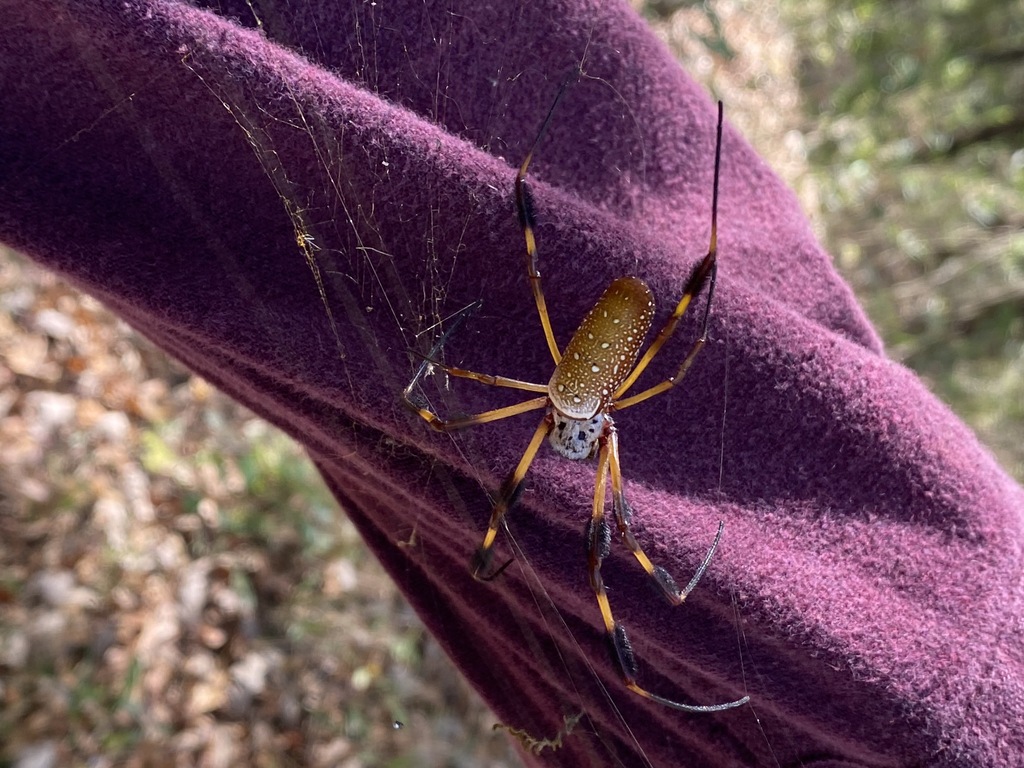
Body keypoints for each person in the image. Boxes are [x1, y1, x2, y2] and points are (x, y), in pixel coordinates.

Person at [3, 1, 1022, 765]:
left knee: (546, 506)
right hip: (606, 367)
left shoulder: (572, 429)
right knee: (516, 431)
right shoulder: (576, 421)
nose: (577, 456)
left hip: (603, 374)